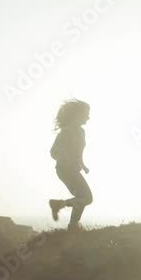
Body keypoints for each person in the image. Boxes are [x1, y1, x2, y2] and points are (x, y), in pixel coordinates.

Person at [49, 99, 92, 231]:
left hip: (73, 170)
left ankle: (72, 226)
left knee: (82, 197)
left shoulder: (81, 132)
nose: (88, 117)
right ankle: (59, 205)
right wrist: (66, 160)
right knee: (86, 198)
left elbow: (78, 152)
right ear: (77, 115)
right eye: (86, 114)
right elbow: (54, 151)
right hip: (64, 170)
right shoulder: (66, 131)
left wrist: (82, 164)